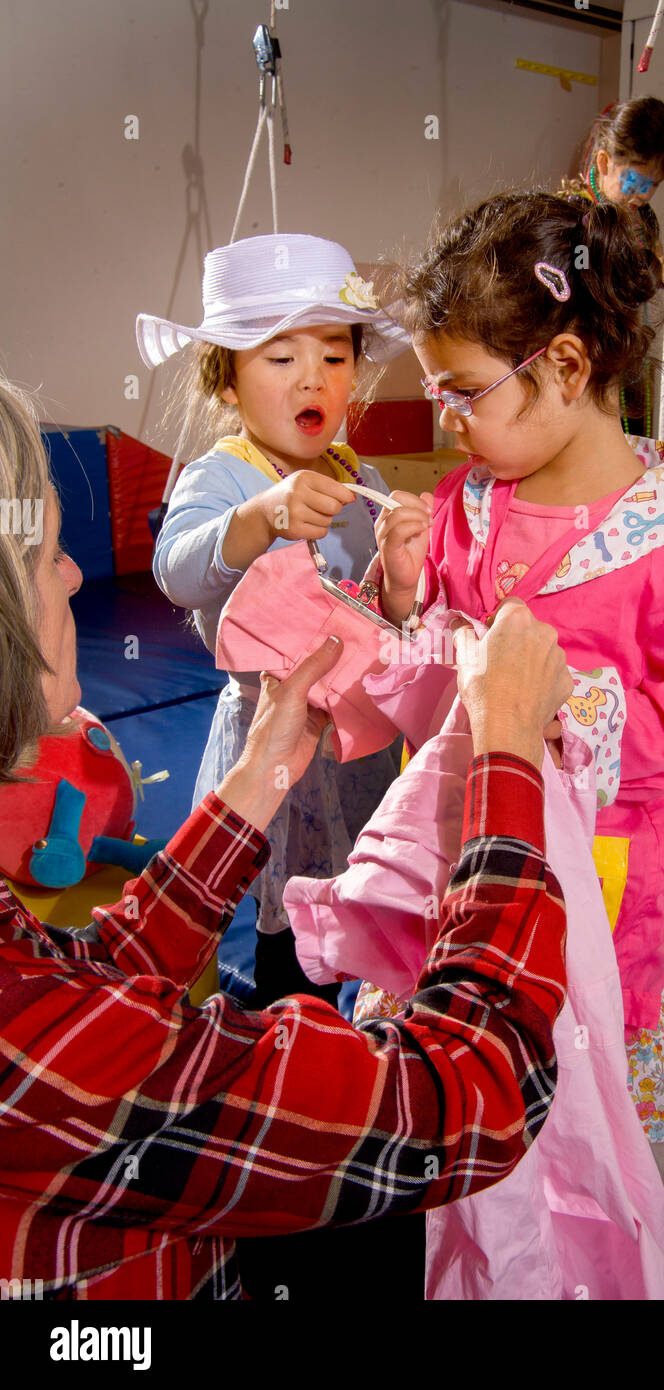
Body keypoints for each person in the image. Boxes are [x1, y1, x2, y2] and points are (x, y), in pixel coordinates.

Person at [0, 375, 573, 1300]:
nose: (71, 574)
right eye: (45, 556)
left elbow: (91, 977)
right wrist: (504, 747)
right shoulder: (37, 1044)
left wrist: (260, 776)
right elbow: (473, 1097)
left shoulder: (36, 1000)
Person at [370, 189, 664, 1206]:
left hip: (595, 878)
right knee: (455, 1079)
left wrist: (573, 709)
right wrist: (403, 593)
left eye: (461, 392)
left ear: (566, 369)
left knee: (590, 1117)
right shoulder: (467, 503)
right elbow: (425, 654)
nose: (443, 418)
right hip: (459, 850)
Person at [138, 233, 405, 1008]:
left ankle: (353, 1044)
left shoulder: (363, 479)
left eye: (333, 355)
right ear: (226, 379)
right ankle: (285, 1051)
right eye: (280, 358)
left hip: (359, 747)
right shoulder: (223, 475)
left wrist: (402, 576)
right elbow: (177, 571)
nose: (311, 378)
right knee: (284, 921)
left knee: (357, 905)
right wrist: (260, 517)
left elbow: (382, 616)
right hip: (270, 752)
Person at [563, 96, 664, 433]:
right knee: (595, 446)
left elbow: (653, 275)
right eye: (635, 181)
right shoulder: (574, 212)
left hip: (628, 352)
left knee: (633, 445)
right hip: (584, 359)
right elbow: (579, 282)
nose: (643, 194)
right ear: (604, 162)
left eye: (653, 185)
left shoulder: (643, 217)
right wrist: (651, 273)